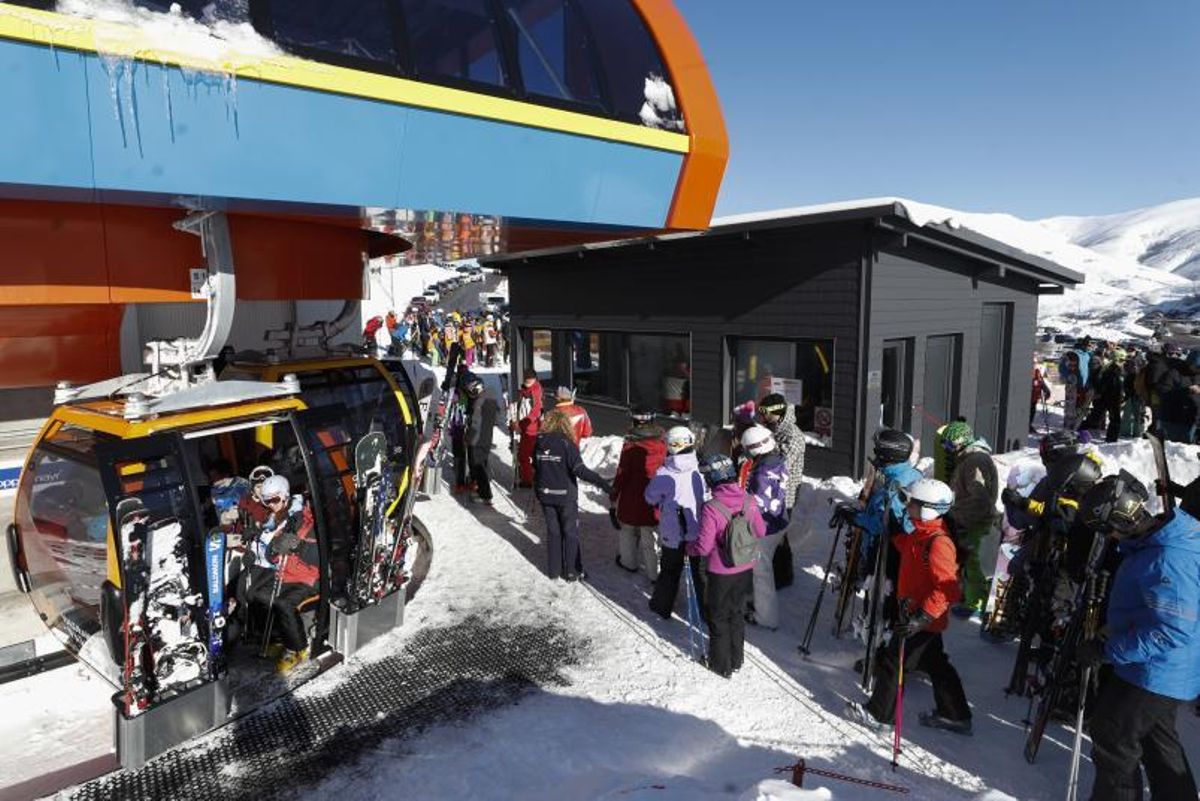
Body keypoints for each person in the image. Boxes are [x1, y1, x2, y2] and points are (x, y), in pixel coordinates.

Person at [1077, 473, 1200, 801]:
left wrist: (1108, 649)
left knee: (1113, 737)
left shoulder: (1167, 557)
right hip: (1161, 668)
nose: (1110, 537)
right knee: (1155, 740)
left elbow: (1172, 628)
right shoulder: (1158, 540)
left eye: (1108, 528)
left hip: (1157, 670)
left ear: (1123, 517)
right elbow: (1152, 609)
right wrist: (1111, 631)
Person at [845, 478, 972, 735]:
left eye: (912, 502)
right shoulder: (921, 532)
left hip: (921, 618)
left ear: (928, 508)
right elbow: (903, 544)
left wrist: (921, 618)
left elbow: (948, 589)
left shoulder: (938, 543)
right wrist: (881, 524)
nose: (908, 506)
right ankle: (955, 714)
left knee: (894, 661)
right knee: (936, 663)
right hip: (915, 613)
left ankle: (880, 715)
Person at [687, 453, 766, 677]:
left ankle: (721, 665)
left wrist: (689, 548)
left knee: (718, 616)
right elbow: (761, 531)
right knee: (737, 613)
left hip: (720, 572)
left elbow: (703, 547)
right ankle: (737, 659)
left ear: (712, 479)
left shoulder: (712, 507)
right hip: (745, 567)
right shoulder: (749, 500)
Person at [246, 474, 319, 672]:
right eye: (267, 501)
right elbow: (272, 552)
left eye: (275, 500)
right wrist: (276, 548)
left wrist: (298, 547)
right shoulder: (291, 520)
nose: (271, 505)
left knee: (283, 603)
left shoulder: (317, 522)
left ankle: (298, 648)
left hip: (310, 578)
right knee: (259, 596)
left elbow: (321, 556)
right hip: (288, 574)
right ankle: (280, 637)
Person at [533, 409, 612, 581]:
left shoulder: (538, 442)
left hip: (545, 495)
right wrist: (603, 483)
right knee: (570, 532)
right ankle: (572, 571)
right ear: (565, 424)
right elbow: (580, 470)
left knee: (553, 532)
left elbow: (537, 468)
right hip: (565, 496)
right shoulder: (567, 444)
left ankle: (553, 571)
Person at [645, 426, 707, 619]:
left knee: (670, 569)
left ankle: (662, 606)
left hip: (672, 532)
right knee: (698, 572)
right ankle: (703, 610)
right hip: (697, 530)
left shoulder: (664, 474)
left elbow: (649, 497)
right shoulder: (700, 469)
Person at [940, 421, 998, 617]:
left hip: (976, 521)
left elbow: (979, 496)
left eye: (949, 445)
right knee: (965, 560)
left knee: (974, 562)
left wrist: (961, 515)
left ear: (960, 442)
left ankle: (975, 603)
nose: (947, 450)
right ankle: (967, 594)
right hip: (965, 518)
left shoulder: (976, 461)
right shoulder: (968, 458)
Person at [740, 425, 789, 630]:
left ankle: (766, 617)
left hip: (766, 527)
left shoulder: (761, 474)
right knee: (759, 567)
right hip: (780, 520)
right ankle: (759, 602)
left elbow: (756, 504)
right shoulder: (778, 462)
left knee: (762, 571)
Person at [610, 407, 667, 578]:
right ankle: (654, 575)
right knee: (651, 537)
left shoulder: (631, 445)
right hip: (655, 498)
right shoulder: (663, 443)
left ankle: (629, 563)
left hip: (632, 498)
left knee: (628, 530)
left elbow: (622, 473)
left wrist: (613, 495)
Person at [756, 393, 804, 589]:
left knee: (779, 534)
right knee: (775, 533)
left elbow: (781, 463)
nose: (762, 416)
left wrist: (762, 449)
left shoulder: (794, 435)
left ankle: (783, 575)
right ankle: (779, 572)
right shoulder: (771, 427)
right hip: (771, 489)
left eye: (765, 412)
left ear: (777, 412)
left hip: (786, 493)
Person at [462, 373, 499, 506]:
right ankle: (482, 487)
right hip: (486, 437)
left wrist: (468, 437)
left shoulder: (479, 402)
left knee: (478, 467)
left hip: (477, 439)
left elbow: (475, 423)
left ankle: (485, 494)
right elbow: (496, 418)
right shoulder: (491, 396)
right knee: (483, 463)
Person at [514, 369, 543, 488]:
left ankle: (527, 480)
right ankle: (531, 476)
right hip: (527, 427)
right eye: (526, 379)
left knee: (524, 455)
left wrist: (524, 423)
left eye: (530, 379)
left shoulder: (535, 390)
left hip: (532, 429)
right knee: (530, 455)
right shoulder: (525, 390)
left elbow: (537, 410)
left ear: (534, 379)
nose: (527, 381)